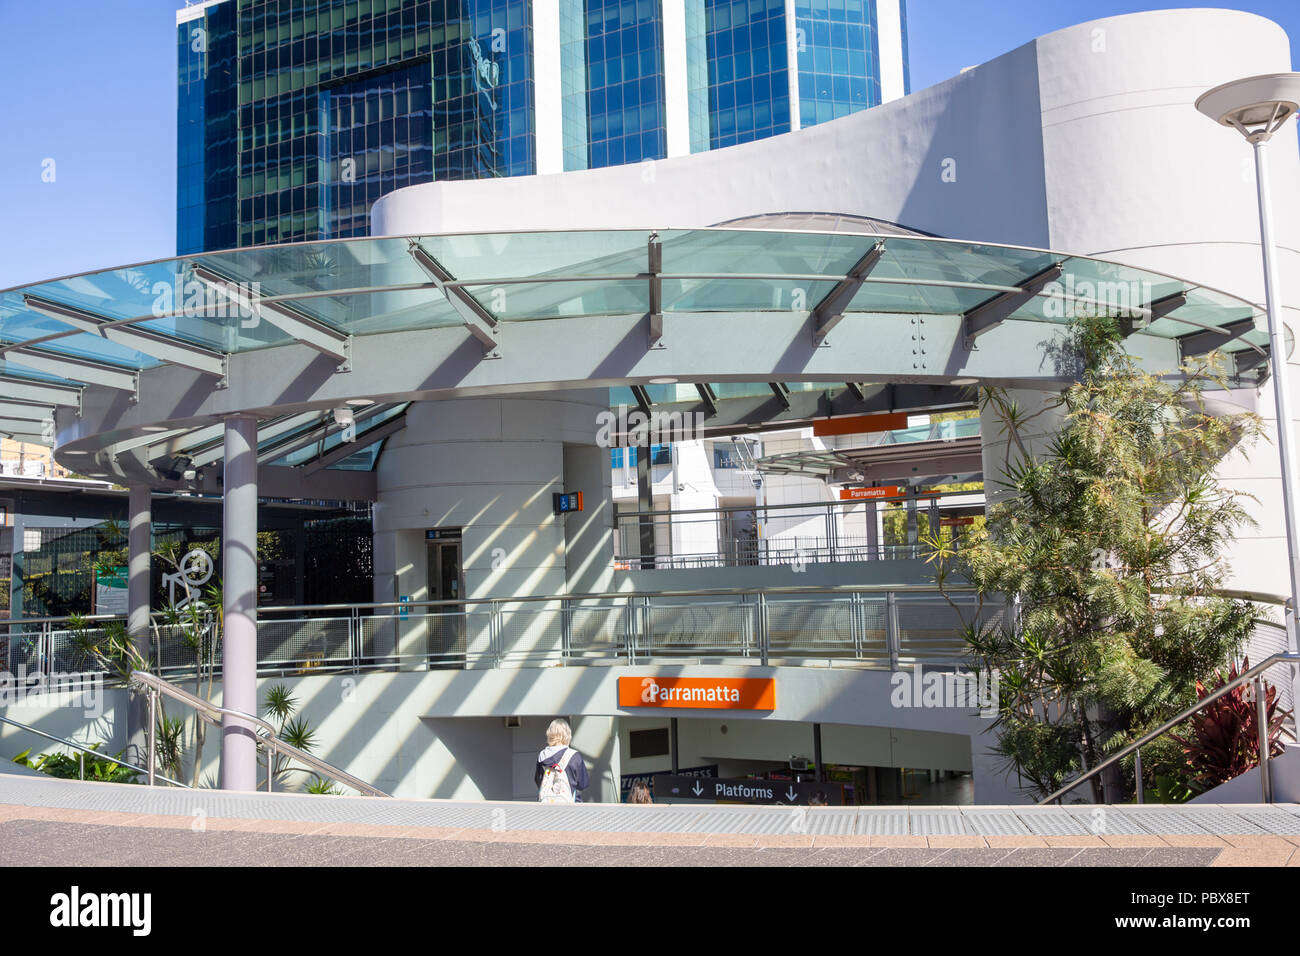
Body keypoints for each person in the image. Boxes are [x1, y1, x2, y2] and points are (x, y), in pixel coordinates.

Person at [535, 718, 589, 803]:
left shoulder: (542, 756)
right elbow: (583, 784)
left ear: (550, 734)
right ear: (567, 734)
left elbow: (538, 781)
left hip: (546, 805)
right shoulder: (574, 756)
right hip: (570, 806)